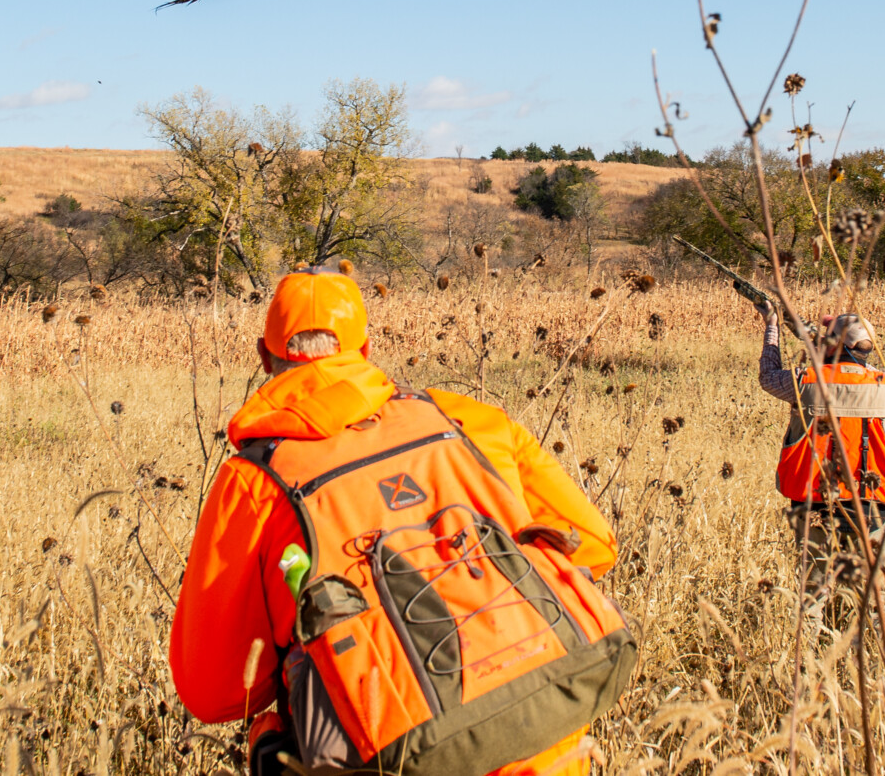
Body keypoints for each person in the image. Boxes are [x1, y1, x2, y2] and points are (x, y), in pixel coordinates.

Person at [171, 270, 635, 776]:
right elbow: (594, 545)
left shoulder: (251, 482)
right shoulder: (466, 419)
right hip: (549, 737)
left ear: (265, 357)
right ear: (366, 348)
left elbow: (212, 693)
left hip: (392, 754)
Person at [756, 303, 885, 590]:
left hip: (816, 504)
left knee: (814, 593)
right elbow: (859, 370)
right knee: (871, 596)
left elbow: (768, 376)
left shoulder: (807, 380)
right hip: (873, 505)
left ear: (835, 344)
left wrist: (772, 326)